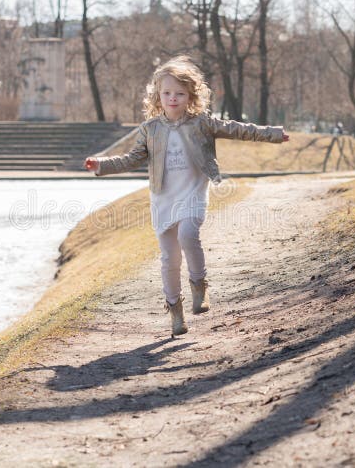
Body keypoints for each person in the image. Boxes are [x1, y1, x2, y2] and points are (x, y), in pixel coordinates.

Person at [84, 56, 289, 336]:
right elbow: (132, 159)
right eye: (167, 93)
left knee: (188, 235)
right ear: (157, 95)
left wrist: (274, 134)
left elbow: (238, 129)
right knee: (169, 259)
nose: (172, 98)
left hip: (193, 194)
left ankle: (199, 285)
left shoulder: (201, 123)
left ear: (190, 95)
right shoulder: (150, 129)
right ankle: (175, 312)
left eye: (179, 94)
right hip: (163, 199)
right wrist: (101, 165)